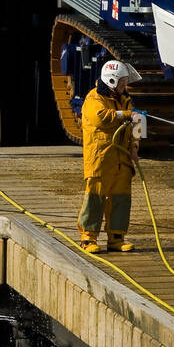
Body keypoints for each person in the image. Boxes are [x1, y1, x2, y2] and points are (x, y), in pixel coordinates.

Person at [77, 60, 140, 254]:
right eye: (122, 82)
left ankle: (116, 238)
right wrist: (125, 114)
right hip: (100, 158)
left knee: (121, 199)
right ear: (111, 80)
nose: (124, 85)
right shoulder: (94, 99)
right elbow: (100, 118)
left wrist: (135, 146)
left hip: (122, 159)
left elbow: (136, 124)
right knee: (95, 197)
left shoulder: (125, 99)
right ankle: (88, 238)